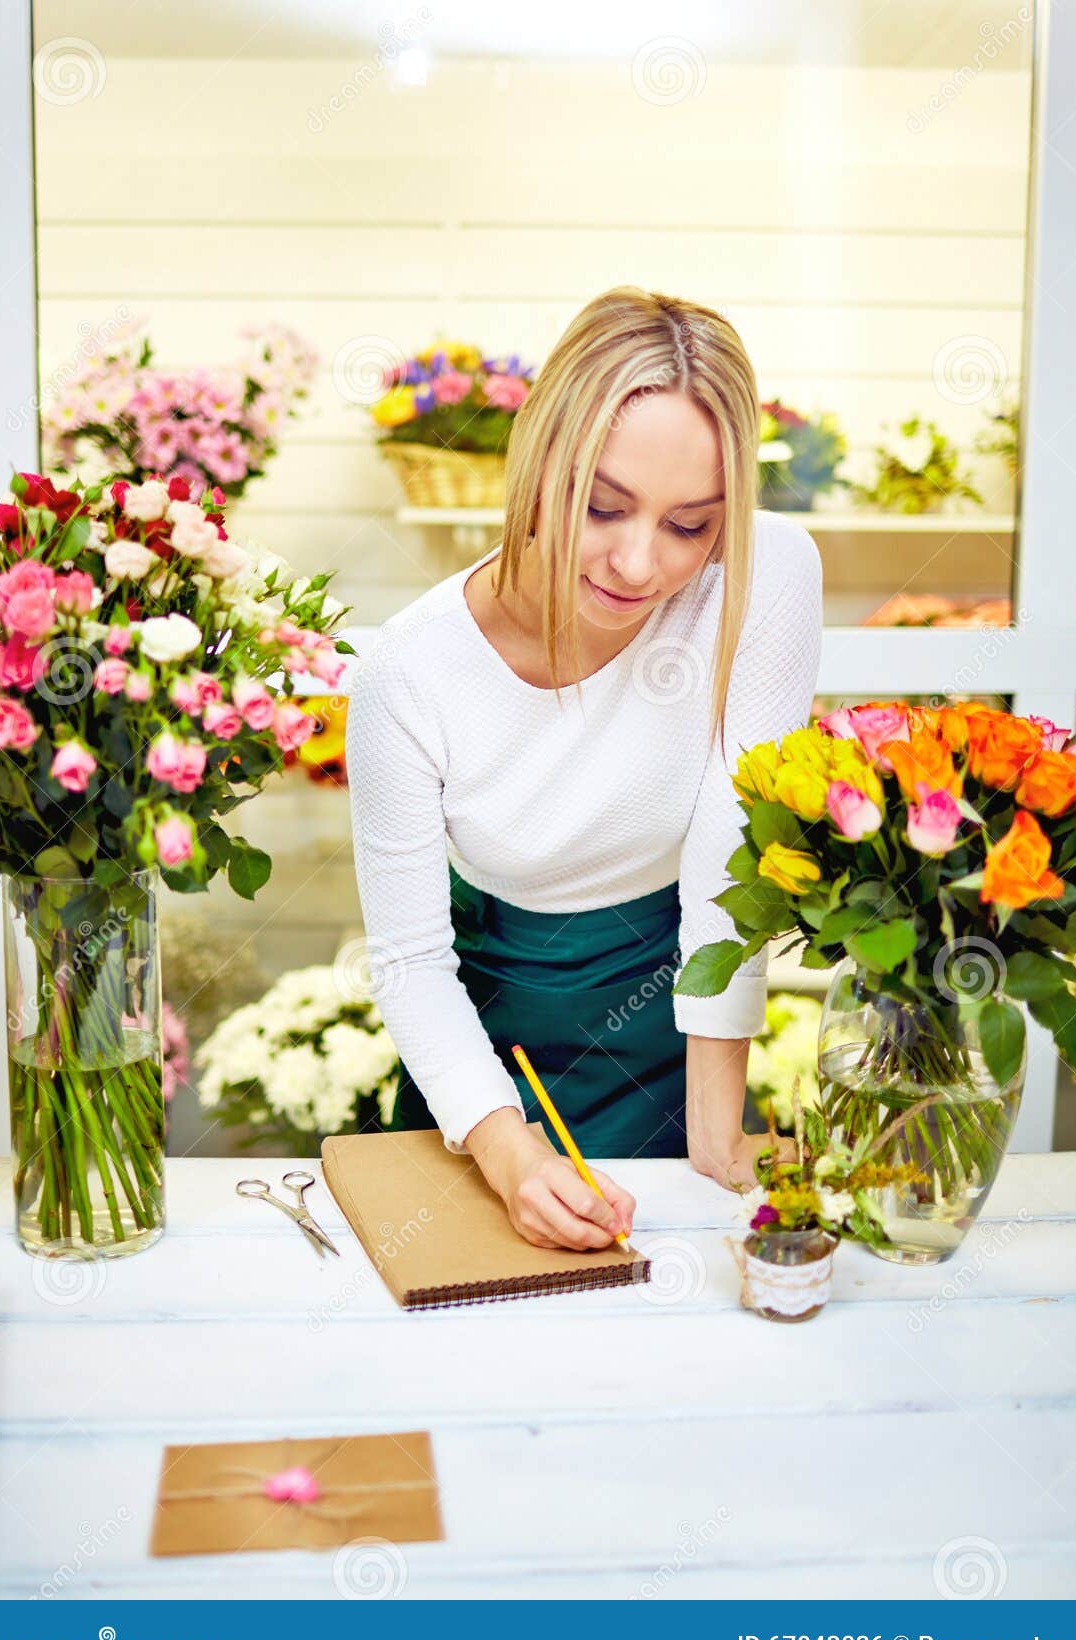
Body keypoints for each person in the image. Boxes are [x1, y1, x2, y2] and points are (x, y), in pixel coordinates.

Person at [345, 285, 822, 1251]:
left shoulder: (766, 577)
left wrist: (714, 1134)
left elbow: (735, 852)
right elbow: (411, 965)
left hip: (683, 1026)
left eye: (692, 526)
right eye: (603, 507)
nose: (639, 564)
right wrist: (512, 1155)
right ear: (540, 459)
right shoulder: (409, 669)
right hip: (482, 1052)